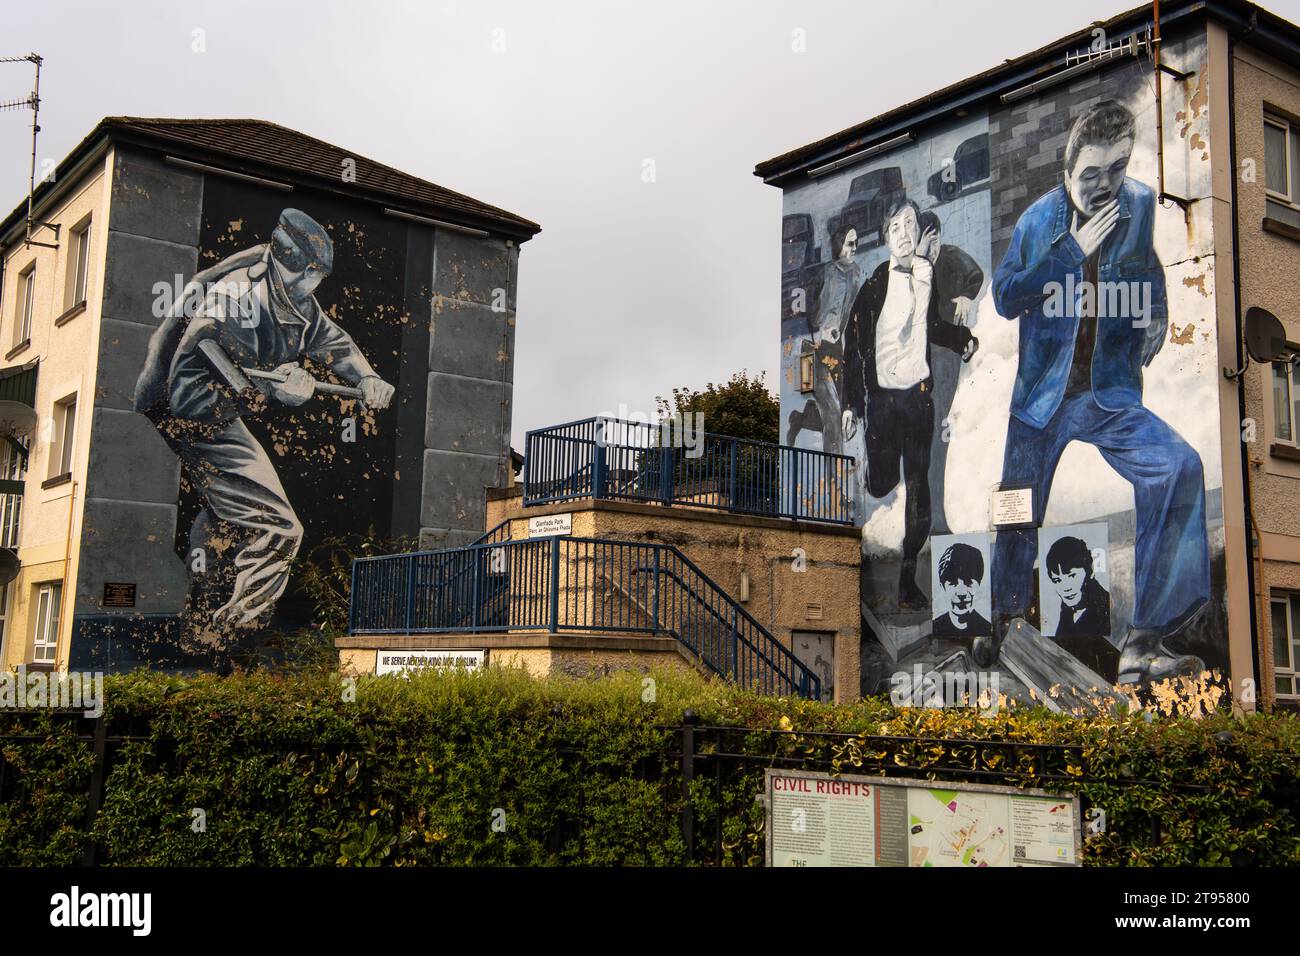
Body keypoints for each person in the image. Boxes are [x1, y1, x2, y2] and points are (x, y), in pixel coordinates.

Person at [978, 101, 1209, 684]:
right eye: (1091, 176)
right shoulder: (1037, 222)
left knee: (1180, 465)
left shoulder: (1136, 203)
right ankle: (1004, 618)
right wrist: (1069, 253)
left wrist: (1156, 311)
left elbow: (1146, 264)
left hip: (1106, 392)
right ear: (1067, 173)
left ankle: (1145, 641)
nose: (1105, 186)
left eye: (1116, 169)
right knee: (1016, 509)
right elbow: (1006, 296)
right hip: (1042, 400)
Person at [134, 208, 395, 638]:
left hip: (211, 406)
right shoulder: (235, 301)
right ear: (307, 271)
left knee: (228, 519)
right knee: (279, 527)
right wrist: (276, 393)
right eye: (316, 278)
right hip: (189, 411)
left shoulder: (284, 285)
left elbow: (333, 343)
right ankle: (238, 631)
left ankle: (201, 625)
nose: (317, 288)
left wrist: (366, 377)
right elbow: (189, 394)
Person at [840, 196, 978, 609]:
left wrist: (963, 340)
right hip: (883, 402)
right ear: (886, 238)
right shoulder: (874, 285)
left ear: (918, 232)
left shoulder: (925, 273)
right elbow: (853, 345)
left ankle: (906, 581)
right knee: (883, 482)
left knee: (919, 488)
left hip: (919, 399)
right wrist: (852, 405)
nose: (904, 234)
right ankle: (874, 468)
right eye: (896, 227)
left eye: (910, 225)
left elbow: (932, 323)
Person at [916, 210, 984, 534]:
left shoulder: (952, 257)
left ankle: (937, 517)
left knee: (941, 431)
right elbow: (929, 326)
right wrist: (966, 338)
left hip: (945, 356)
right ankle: (933, 519)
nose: (929, 250)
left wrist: (966, 298)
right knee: (933, 436)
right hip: (929, 361)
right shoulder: (915, 275)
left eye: (932, 242)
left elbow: (977, 276)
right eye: (922, 244)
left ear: (938, 237)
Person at [1044, 535, 1118, 681]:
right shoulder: (1065, 610)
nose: (1065, 588)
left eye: (1071, 576)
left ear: (1089, 571)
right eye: (1057, 580)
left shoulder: (1105, 607)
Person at [931, 542, 992, 640]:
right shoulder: (935, 628)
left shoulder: (986, 628)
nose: (962, 593)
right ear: (942, 586)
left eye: (969, 583)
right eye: (953, 583)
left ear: (979, 584)